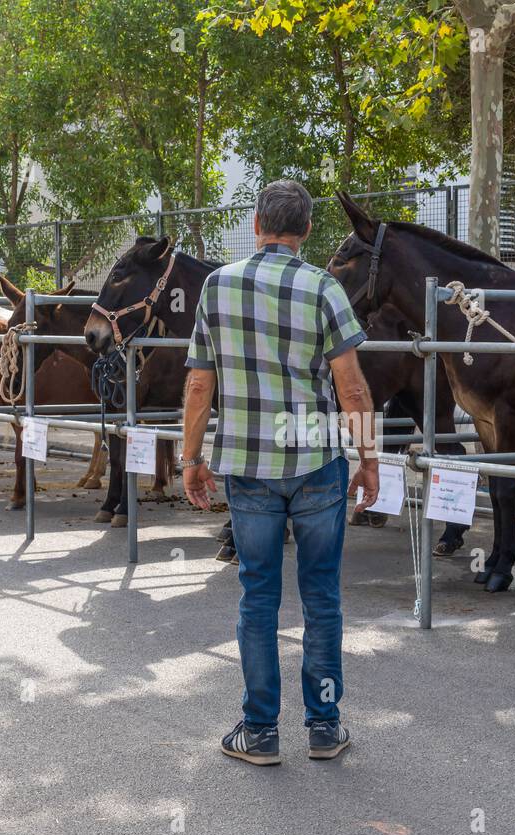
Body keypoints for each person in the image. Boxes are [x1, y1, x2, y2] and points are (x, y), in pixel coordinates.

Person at [180, 179, 379, 766]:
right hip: (318, 462)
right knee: (322, 598)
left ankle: (260, 731)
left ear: (256, 224)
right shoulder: (325, 289)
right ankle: (324, 726)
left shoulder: (217, 287)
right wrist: (369, 458)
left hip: (248, 465)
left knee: (257, 597)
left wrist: (192, 459)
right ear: (308, 231)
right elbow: (353, 388)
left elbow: (198, 383)